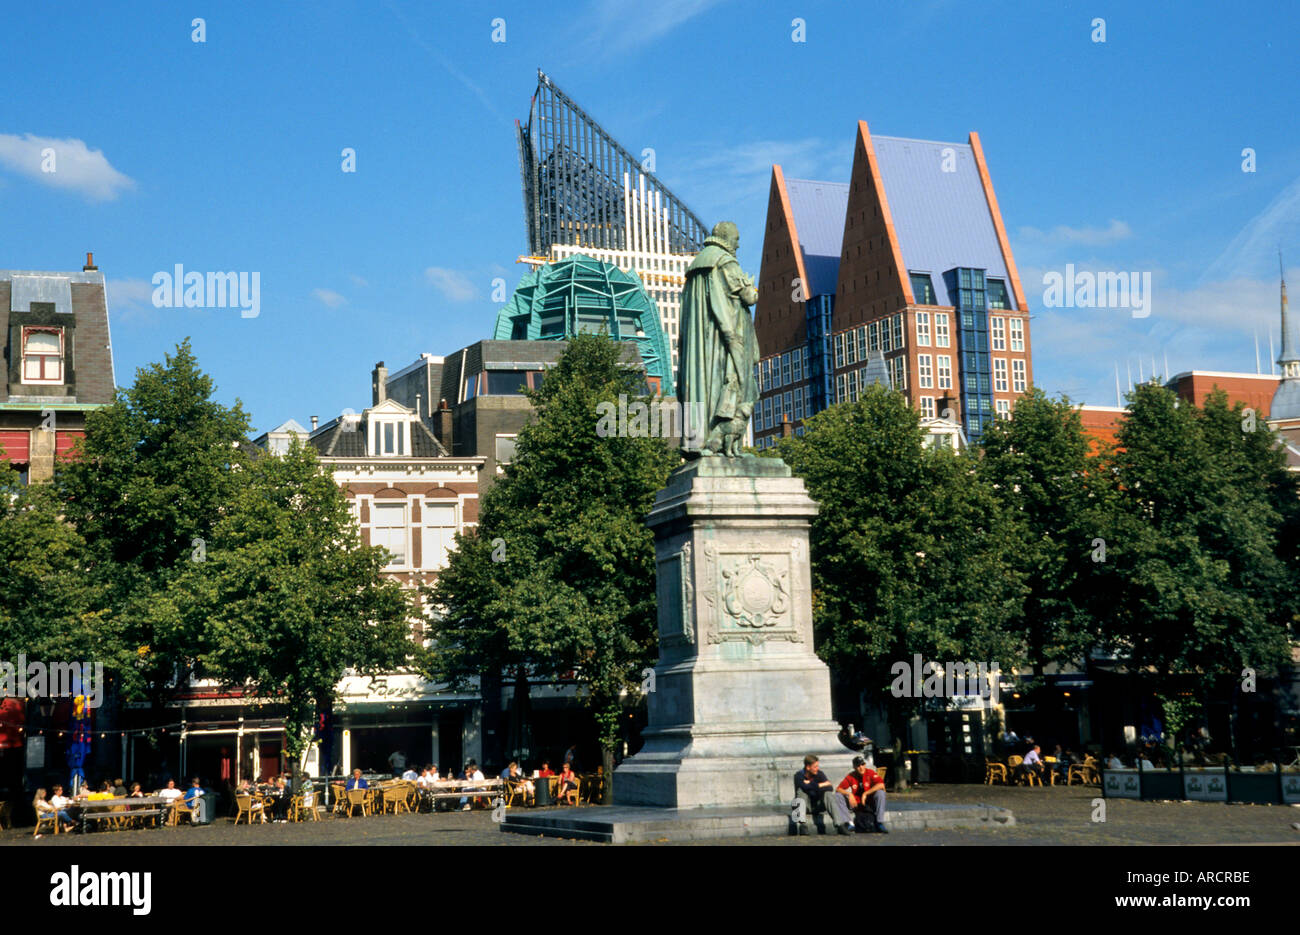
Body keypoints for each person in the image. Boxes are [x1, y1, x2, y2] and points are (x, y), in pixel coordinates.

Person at [678, 220, 760, 457]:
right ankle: (721, 446)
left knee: (702, 383)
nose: (738, 245)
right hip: (721, 343)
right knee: (730, 385)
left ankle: (699, 441)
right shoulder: (725, 262)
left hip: (700, 344)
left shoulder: (698, 266)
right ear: (726, 239)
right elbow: (747, 298)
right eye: (736, 240)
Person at [833, 755, 888, 835]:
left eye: (862, 764)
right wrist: (849, 794)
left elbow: (881, 785)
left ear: (865, 765)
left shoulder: (870, 773)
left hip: (869, 803)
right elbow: (838, 789)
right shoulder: (851, 776)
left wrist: (866, 793)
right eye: (858, 766)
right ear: (854, 767)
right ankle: (849, 823)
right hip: (855, 803)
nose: (861, 767)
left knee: (880, 793)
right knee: (838, 796)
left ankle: (880, 822)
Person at [793, 754, 834, 835]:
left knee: (828, 794)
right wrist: (822, 784)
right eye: (815, 767)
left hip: (817, 805)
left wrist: (811, 784)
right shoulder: (798, 775)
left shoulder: (820, 774)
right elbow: (804, 787)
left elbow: (830, 788)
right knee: (801, 791)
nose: (817, 768)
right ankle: (803, 826)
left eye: (817, 766)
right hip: (805, 806)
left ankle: (839, 824)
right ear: (808, 767)